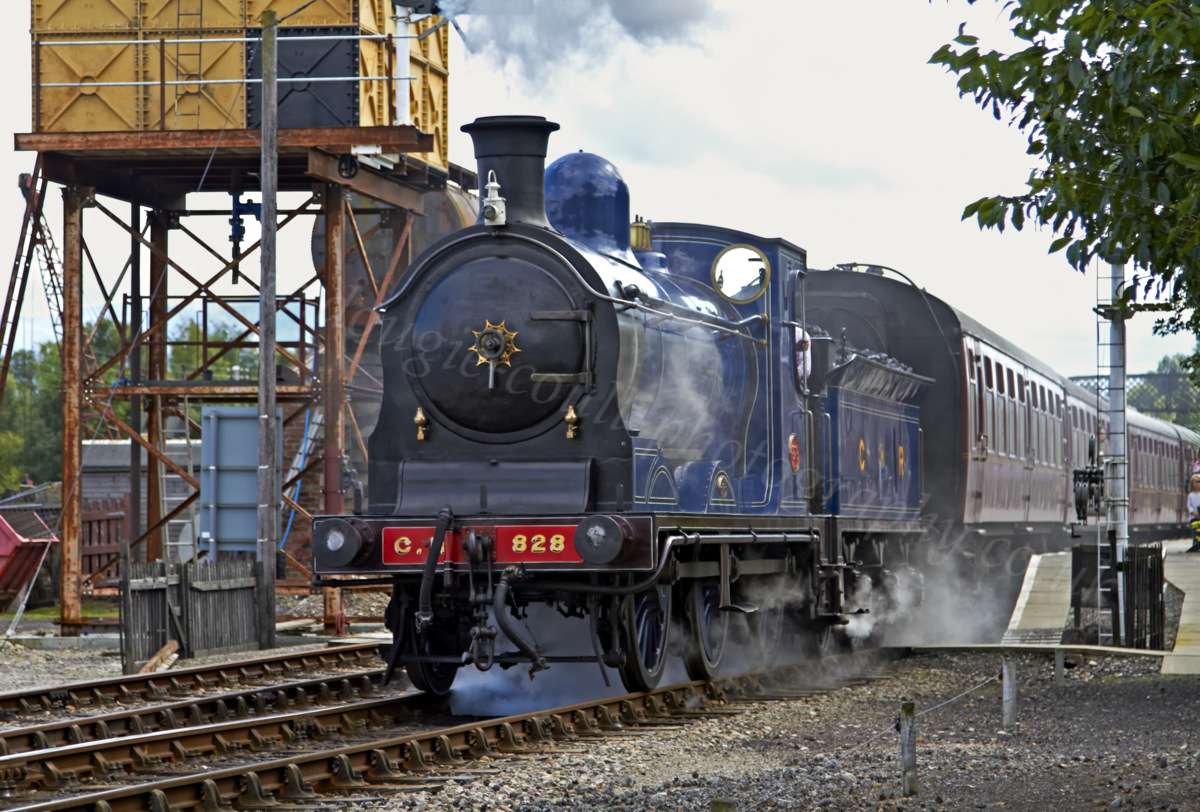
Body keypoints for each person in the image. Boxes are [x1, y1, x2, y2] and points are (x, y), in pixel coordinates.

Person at [1188, 474, 1200, 552]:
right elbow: (1189, 505)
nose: (1198, 483)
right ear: (1192, 484)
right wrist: (1192, 511)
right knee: (1194, 532)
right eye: (1196, 482)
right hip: (1194, 517)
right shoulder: (1190, 495)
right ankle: (1194, 544)